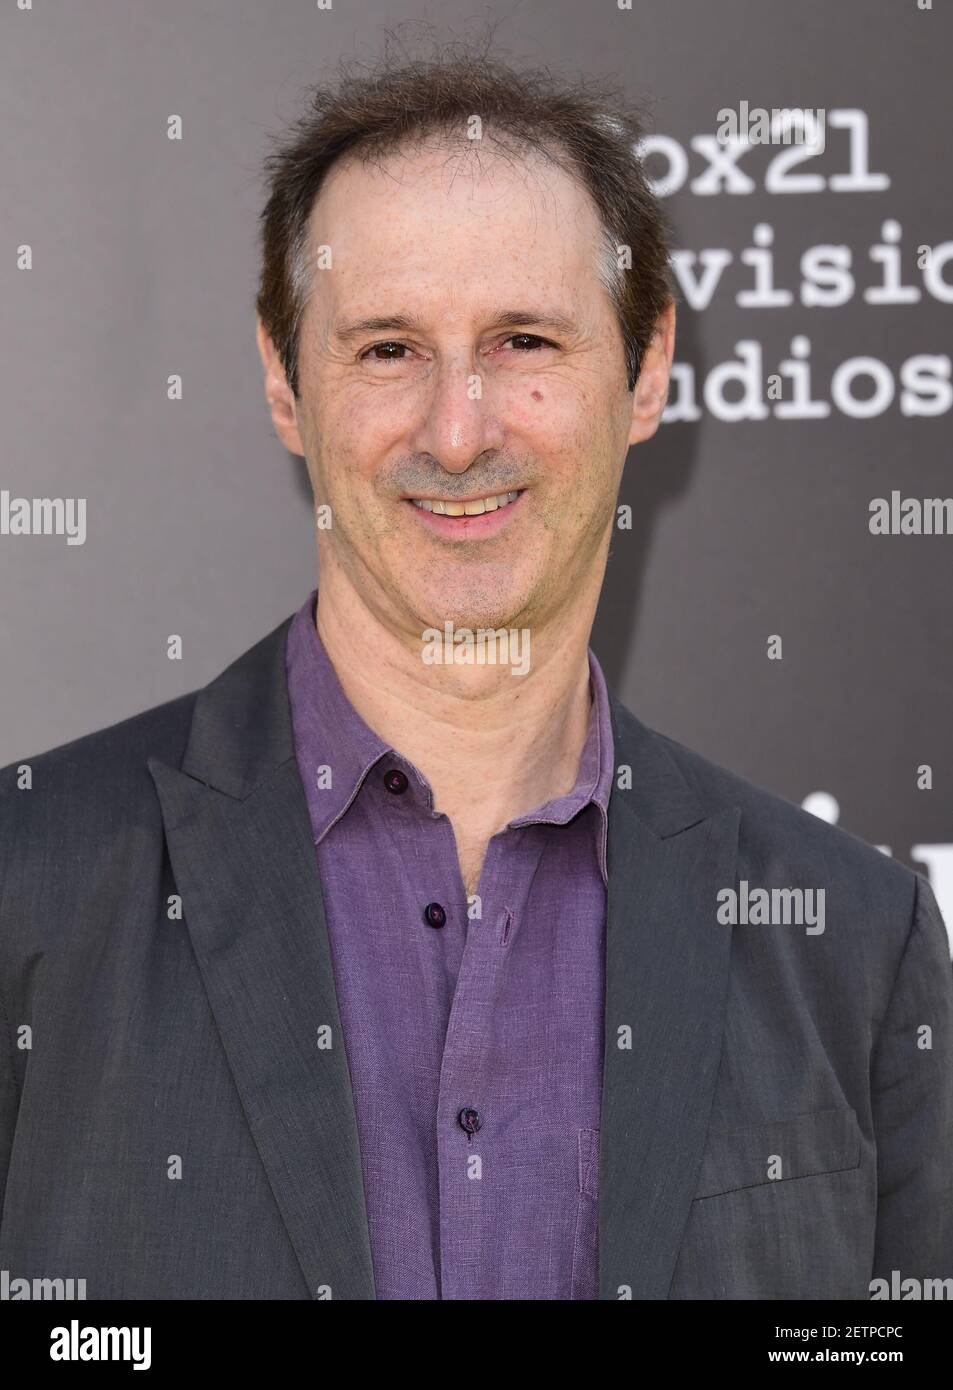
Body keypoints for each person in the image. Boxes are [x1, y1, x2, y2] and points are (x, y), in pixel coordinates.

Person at [1, 52, 950, 1301]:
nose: (458, 431)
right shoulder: (30, 887)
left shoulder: (851, 942)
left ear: (647, 367)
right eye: (388, 348)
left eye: (523, 338)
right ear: (286, 381)